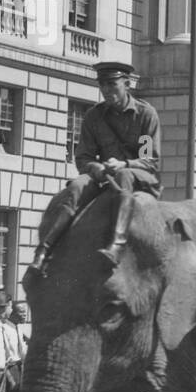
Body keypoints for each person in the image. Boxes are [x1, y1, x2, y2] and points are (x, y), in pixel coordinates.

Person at [29, 60, 161, 274]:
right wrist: (96, 168)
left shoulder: (145, 115)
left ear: (127, 84)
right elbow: (83, 157)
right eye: (102, 85)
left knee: (124, 176)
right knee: (77, 186)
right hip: (103, 176)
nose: (107, 90)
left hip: (138, 175)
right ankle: (44, 250)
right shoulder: (93, 116)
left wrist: (123, 164)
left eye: (112, 84)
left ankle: (116, 244)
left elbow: (149, 160)